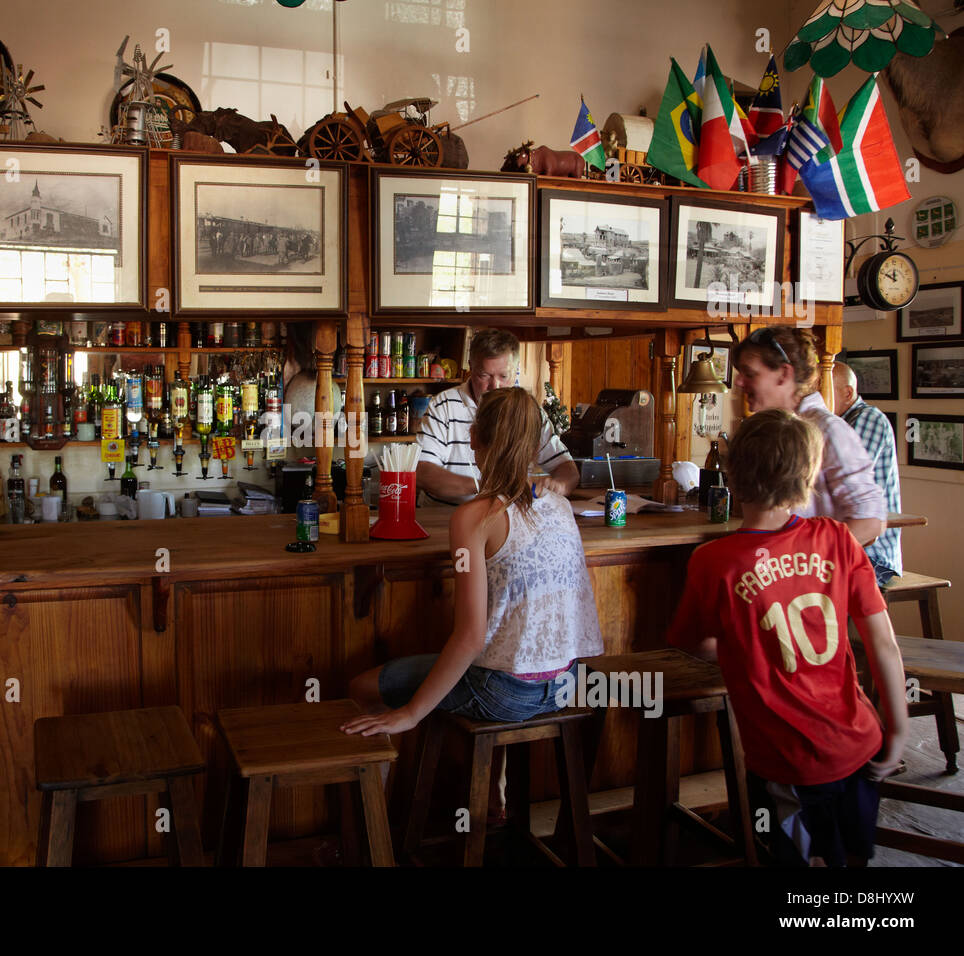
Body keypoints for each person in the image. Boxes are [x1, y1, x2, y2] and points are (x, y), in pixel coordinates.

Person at [667, 409, 908, 867]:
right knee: (852, 858)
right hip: (861, 742)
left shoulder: (713, 561)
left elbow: (690, 641)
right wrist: (896, 728)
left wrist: (745, 651)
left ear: (731, 477)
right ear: (810, 478)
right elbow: (884, 645)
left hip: (786, 759)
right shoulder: (839, 539)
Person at [342, 386, 603, 737]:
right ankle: (497, 786)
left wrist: (411, 713)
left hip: (507, 694)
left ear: (473, 436)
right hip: (565, 683)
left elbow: (470, 638)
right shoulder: (559, 505)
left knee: (362, 687)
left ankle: (384, 792)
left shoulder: (474, 519)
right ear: (535, 446)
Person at [731, 327, 885, 547]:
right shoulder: (774, 428)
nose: (738, 382)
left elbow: (870, 522)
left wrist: (807, 558)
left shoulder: (829, 430)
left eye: (750, 373)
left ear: (784, 374)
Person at [417, 328, 579, 506]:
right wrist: (489, 487)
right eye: (484, 375)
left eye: (504, 376)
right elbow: (423, 472)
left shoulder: (526, 411)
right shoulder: (443, 406)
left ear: (516, 370)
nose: (495, 386)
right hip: (444, 516)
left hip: (508, 519)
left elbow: (567, 470)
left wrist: (558, 486)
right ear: (471, 367)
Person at [832, 362, 902, 587]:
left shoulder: (867, 417)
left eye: (822, 389)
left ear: (847, 392)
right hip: (851, 543)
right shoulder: (837, 423)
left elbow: (841, 476)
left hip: (873, 554)